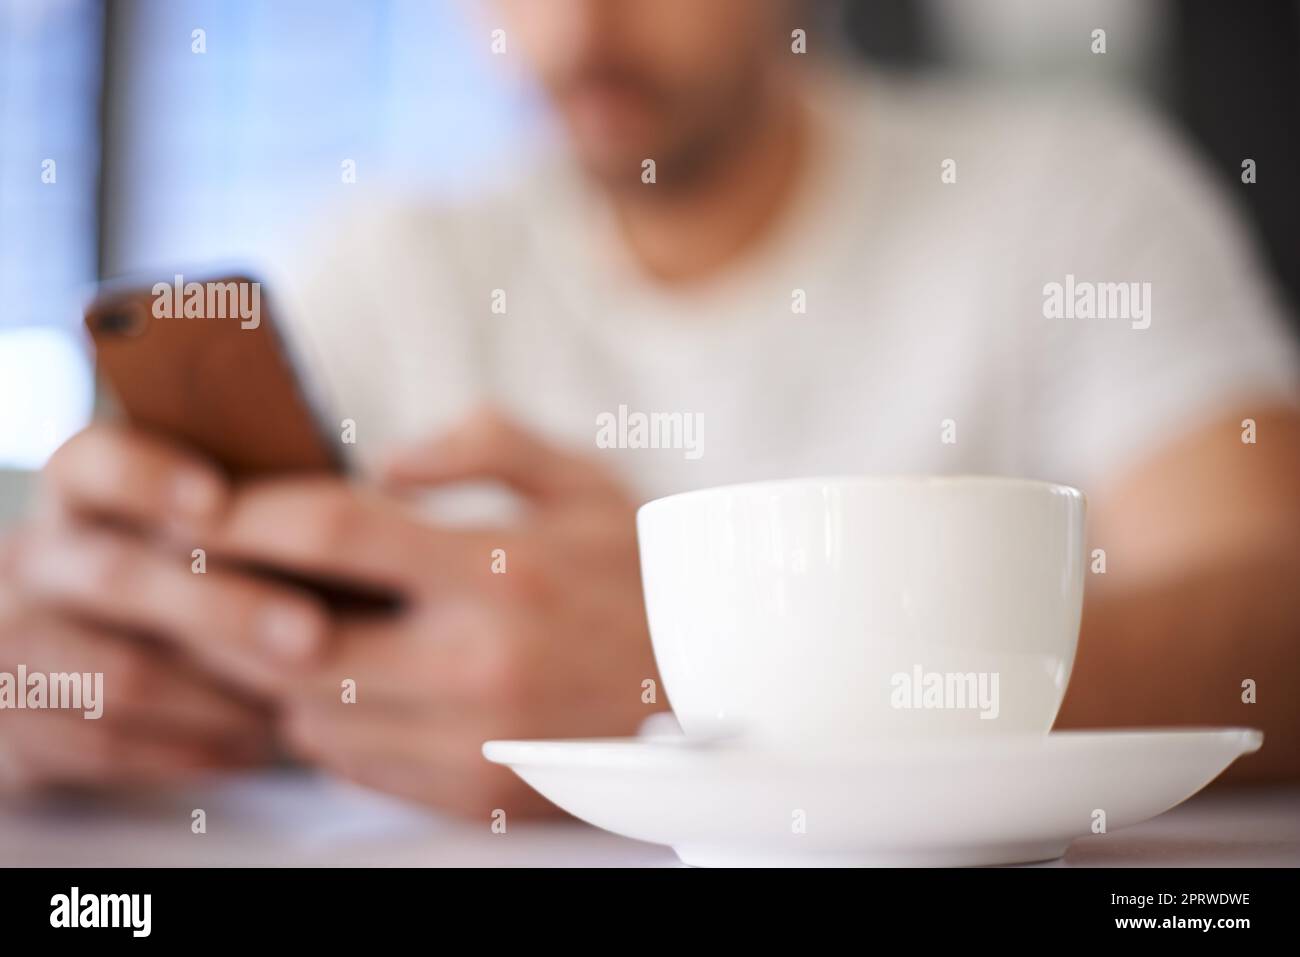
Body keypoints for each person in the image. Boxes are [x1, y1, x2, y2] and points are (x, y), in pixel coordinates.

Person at [2, 0, 1298, 815]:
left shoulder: (1073, 195)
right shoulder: (393, 265)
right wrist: (61, 670)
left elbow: (1276, 622)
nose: (578, 24)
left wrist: (700, 695)